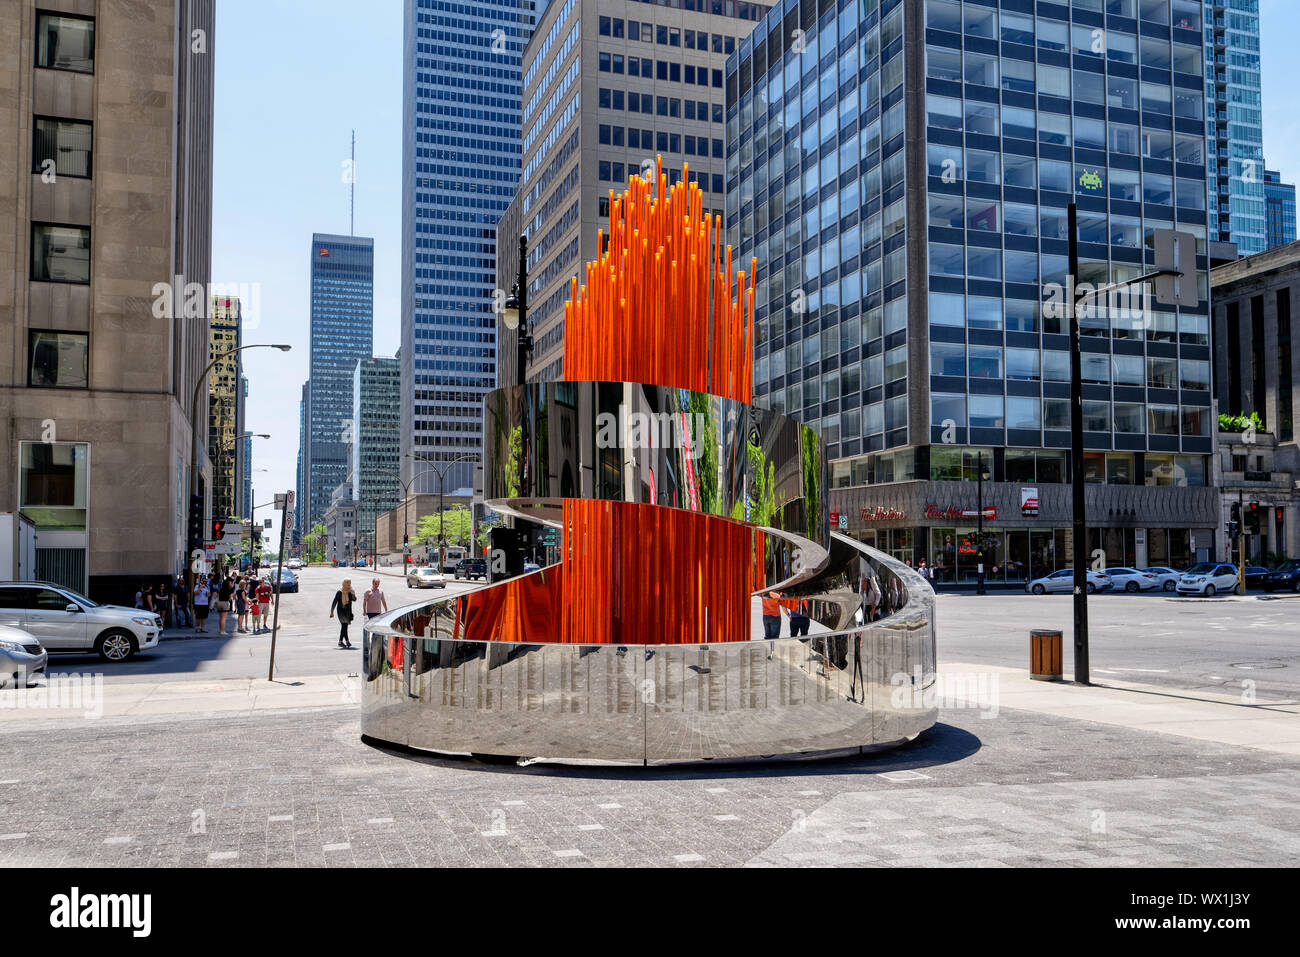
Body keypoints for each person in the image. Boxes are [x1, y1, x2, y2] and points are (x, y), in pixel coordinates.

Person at [330, 579, 357, 649]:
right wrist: (332, 611)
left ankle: (340, 641)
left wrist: (353, 593)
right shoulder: (339, 592)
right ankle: (347, 641)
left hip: (348, 611)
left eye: (350, 583)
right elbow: (335, 601)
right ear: (344, 583)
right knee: (344, 625)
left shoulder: (350, 592)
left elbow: (354, 599)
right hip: (341, 611)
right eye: (348, 583)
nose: (349, 584)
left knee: (344, 626)